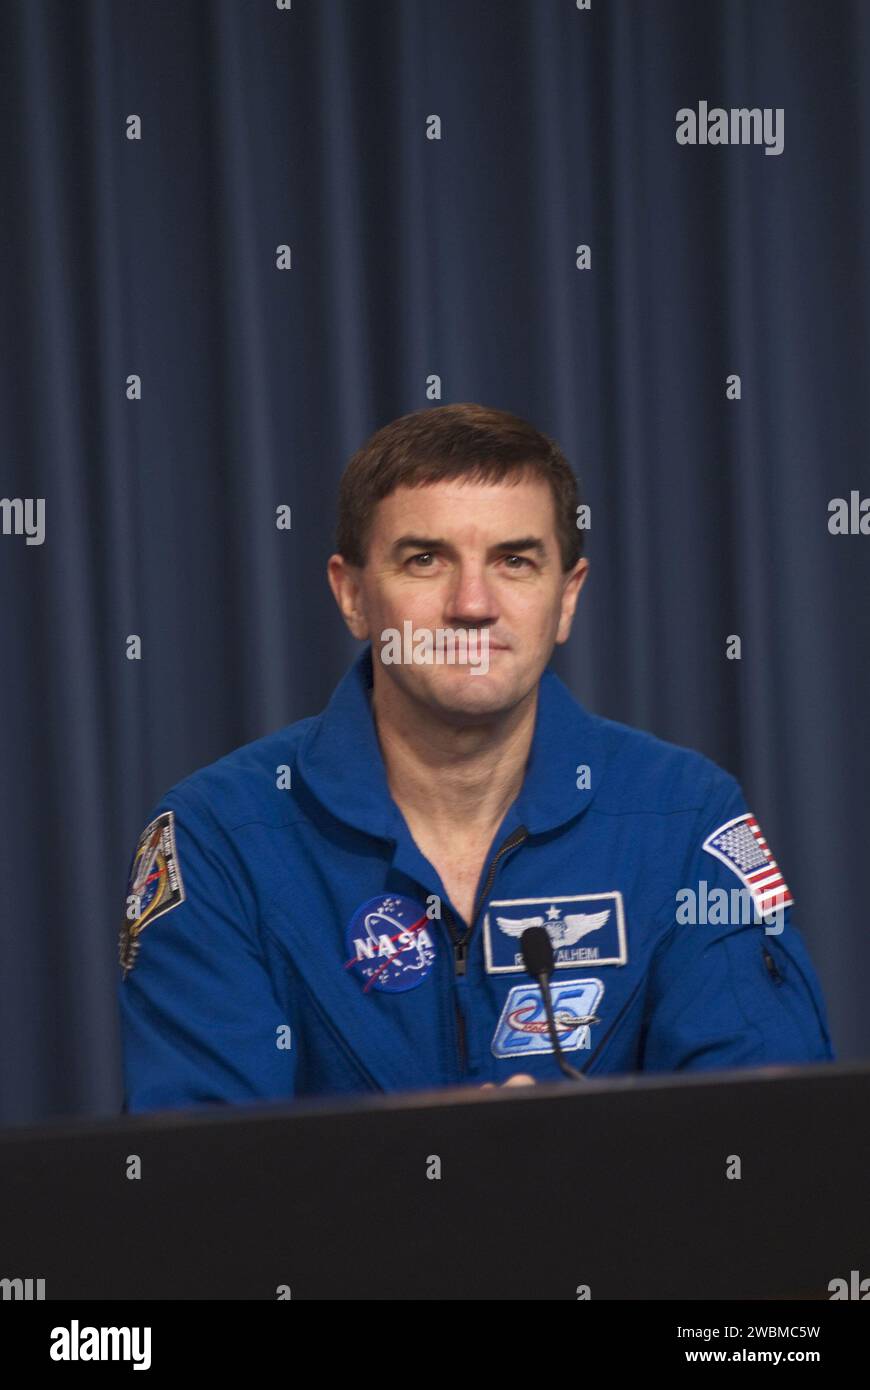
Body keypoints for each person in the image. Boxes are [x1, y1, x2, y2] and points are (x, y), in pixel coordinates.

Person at [117, 402, 835, 1113]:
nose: (472, 604)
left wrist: (567, 1176)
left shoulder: (688, 817)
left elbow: (769, 1143)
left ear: (566, 598)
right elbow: (194, 1184)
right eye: (425, 560)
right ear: (352, 594)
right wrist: (456, 1176)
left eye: (515, 561)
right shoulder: (214, 838)